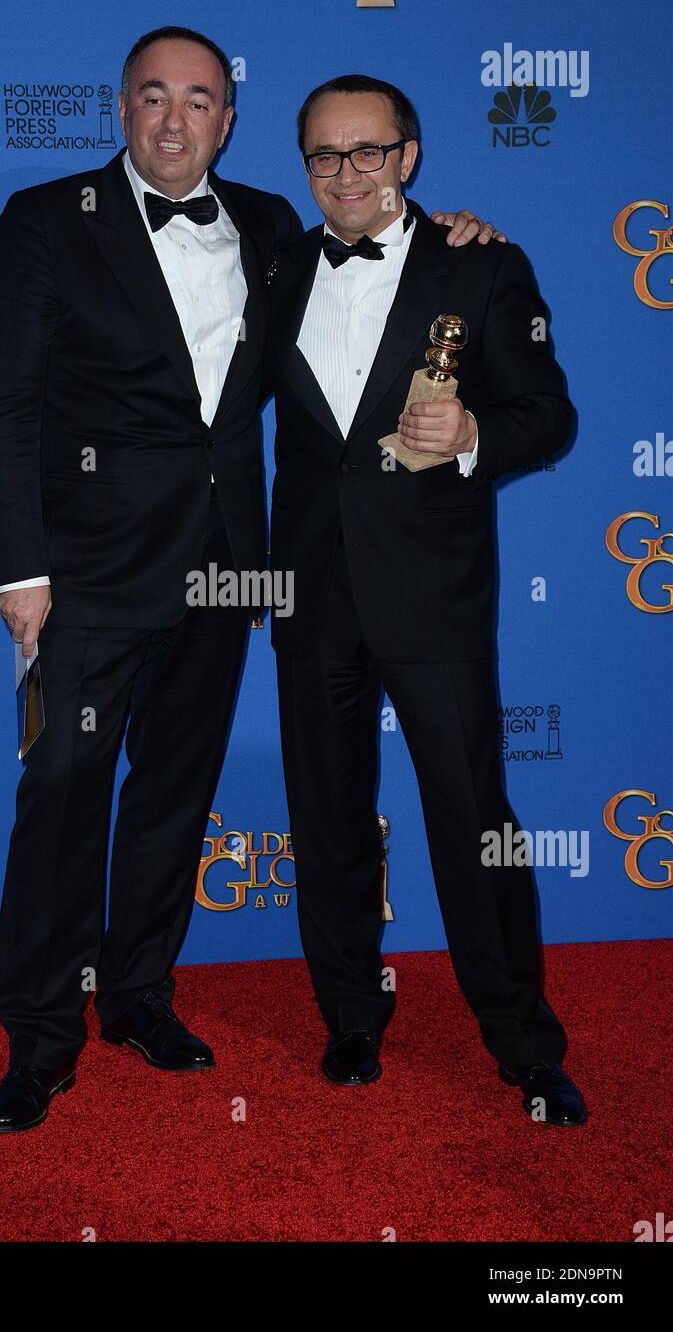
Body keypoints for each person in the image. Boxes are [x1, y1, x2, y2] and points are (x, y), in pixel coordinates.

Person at [0, 28, 496, 1134]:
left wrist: (454, 232)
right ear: (120, 109)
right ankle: (38, 1036)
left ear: (228, 119)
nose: (174, 122)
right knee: (62, 794)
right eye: (153, 98)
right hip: (88, 576)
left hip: (222, 568)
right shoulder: (43, 223)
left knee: (171, 794)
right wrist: (18, 569)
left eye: (198, 101)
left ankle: (140, 995)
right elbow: (4, 407)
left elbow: (378, 256)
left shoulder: (266, 226)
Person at [267, 74, 587, 1125]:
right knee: (326, 815)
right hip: (308, 585)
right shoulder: (274, 263)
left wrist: (478, 441)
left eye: (367, 153)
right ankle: (350, 1016)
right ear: (303, 164)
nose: (345, 175)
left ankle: (522, 1042)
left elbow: (548, 413)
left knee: (470, 818)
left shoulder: (481, 262)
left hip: (436, 590)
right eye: (324, 155)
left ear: (408, 156)